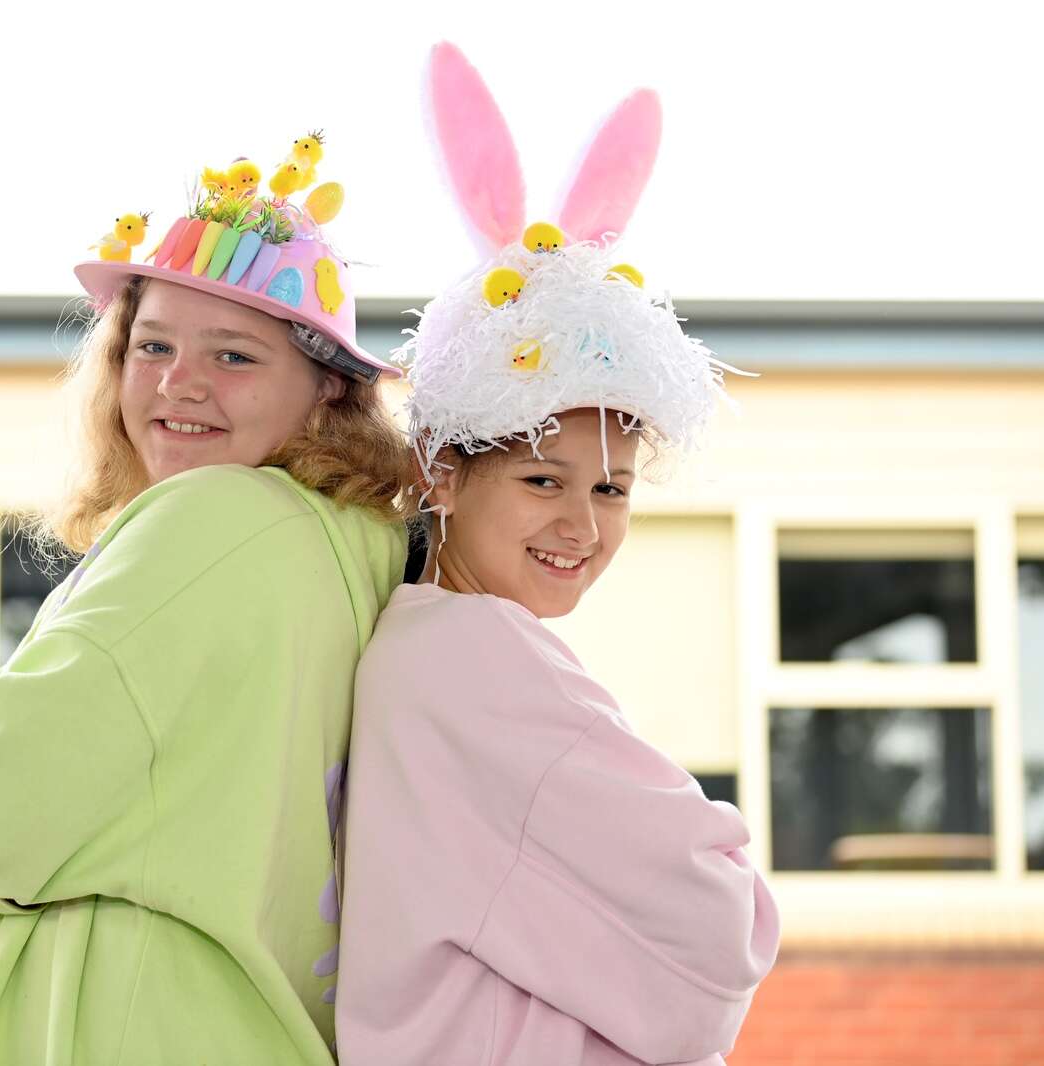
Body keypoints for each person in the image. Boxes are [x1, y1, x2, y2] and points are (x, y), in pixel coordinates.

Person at [0, 133, 414, 1065]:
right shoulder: (356, 554)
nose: (177, 382)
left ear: (329, 388)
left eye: (234, 356)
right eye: (151, 345)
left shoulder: (214, 519)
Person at [335, 44, 780, 1065]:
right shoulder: (479, 658)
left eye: (611, 489)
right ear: (442, 472)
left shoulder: (413, 645)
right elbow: (721, 935)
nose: (582, 524)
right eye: (543, 480)